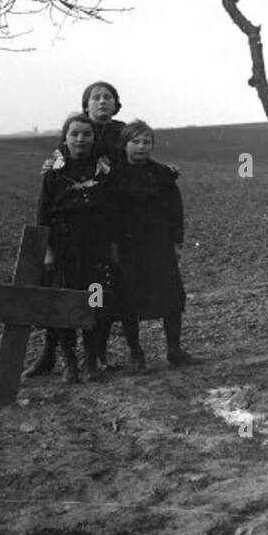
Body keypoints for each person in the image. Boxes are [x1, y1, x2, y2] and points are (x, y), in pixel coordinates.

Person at [31, 112, 119, 382]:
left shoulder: (103, 171)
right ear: (65, 139)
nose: (80, 139)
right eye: (74, 134)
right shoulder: (54, 175)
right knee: (66, 303)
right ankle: (70, 364)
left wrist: (113, 247)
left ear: (94, 138)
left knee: (94, 302)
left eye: (86, 134)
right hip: (64, 247)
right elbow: (42, 215)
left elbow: (115, 212)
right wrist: (47, 251)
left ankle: (91, 360)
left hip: (96, 247)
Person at [110, 120, 191, 369]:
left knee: (171, 296)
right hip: (128, 247)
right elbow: (108, 214)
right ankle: (136, 353)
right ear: (124, 145)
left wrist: (177, 241)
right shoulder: (113, 177)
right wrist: (112, 246)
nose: (142, 147)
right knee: (129, 299)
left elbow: (175, 210)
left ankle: (174, 349)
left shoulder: (162, 174)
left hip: (159, 245)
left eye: (147, 142)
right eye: (135, 142)